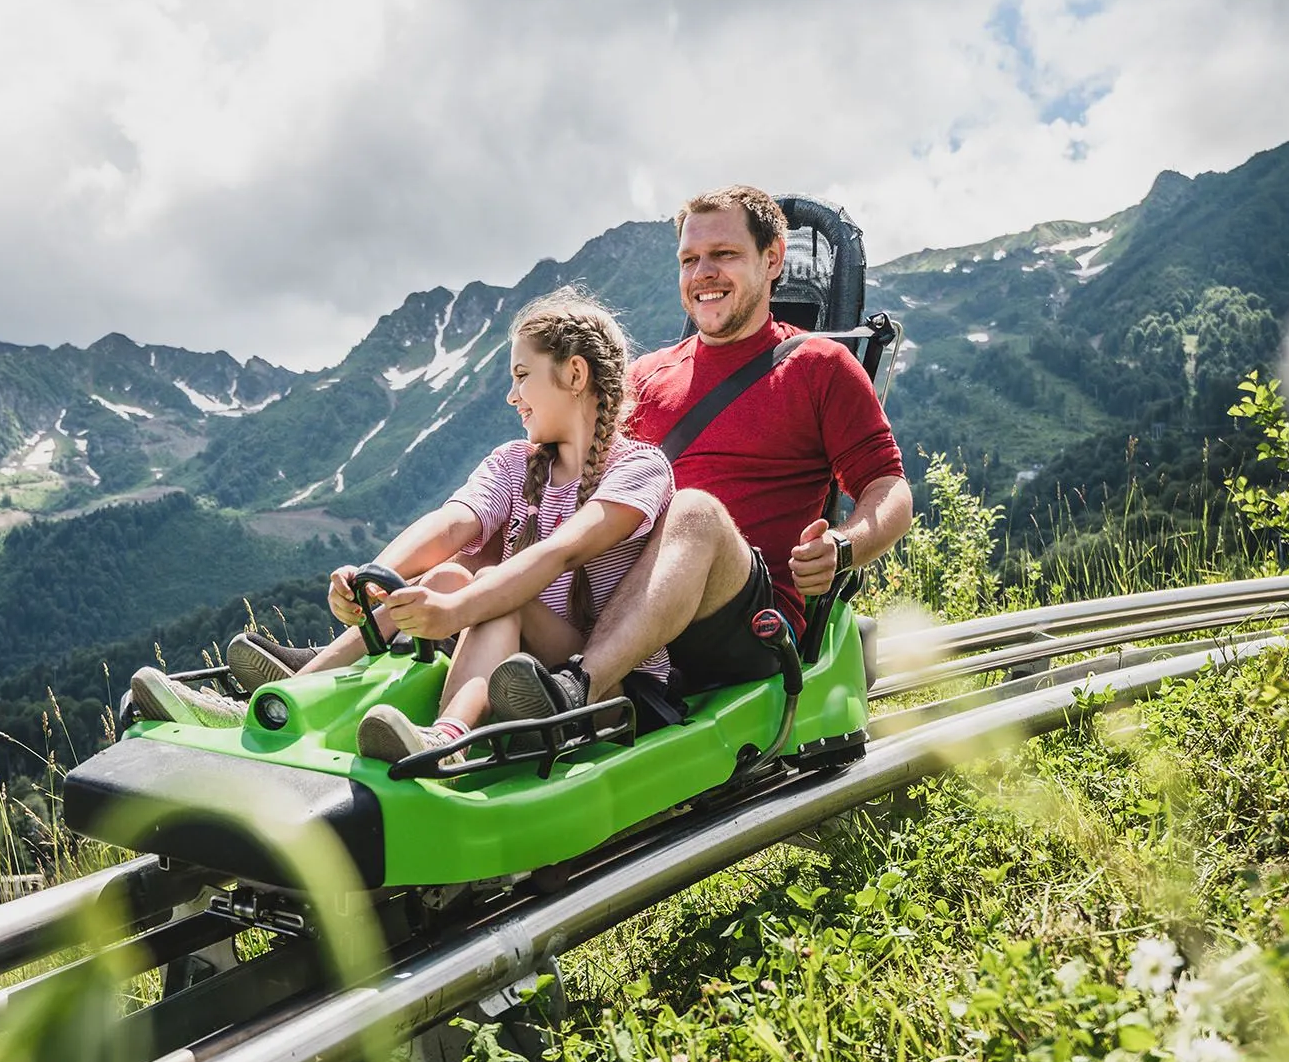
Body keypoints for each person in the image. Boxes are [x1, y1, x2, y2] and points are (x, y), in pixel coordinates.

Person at [129, 289, 673, 762]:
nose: (513, 396)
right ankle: (278, 704)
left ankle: (447, 736)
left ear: (574, 374)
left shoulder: (639, 469)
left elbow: (563, 554)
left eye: (523, 376)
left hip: (601, 680)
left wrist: (461, 609)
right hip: (522, 658)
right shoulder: (513, 462)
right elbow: (453, 524)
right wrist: (376, 575)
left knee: (482, 588)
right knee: (450, 576)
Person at [483, 184, 914, 729]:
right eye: (690, 260)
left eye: (724, 255)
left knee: (693, 511)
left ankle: (577, 692)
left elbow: (889, 488)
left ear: (773, 258)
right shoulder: (643, 377)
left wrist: (844, 545)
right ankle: (399, 671)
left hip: (741, 619)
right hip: (620, 600)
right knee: (506, 502)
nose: (703, 273)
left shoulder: (818, 365)